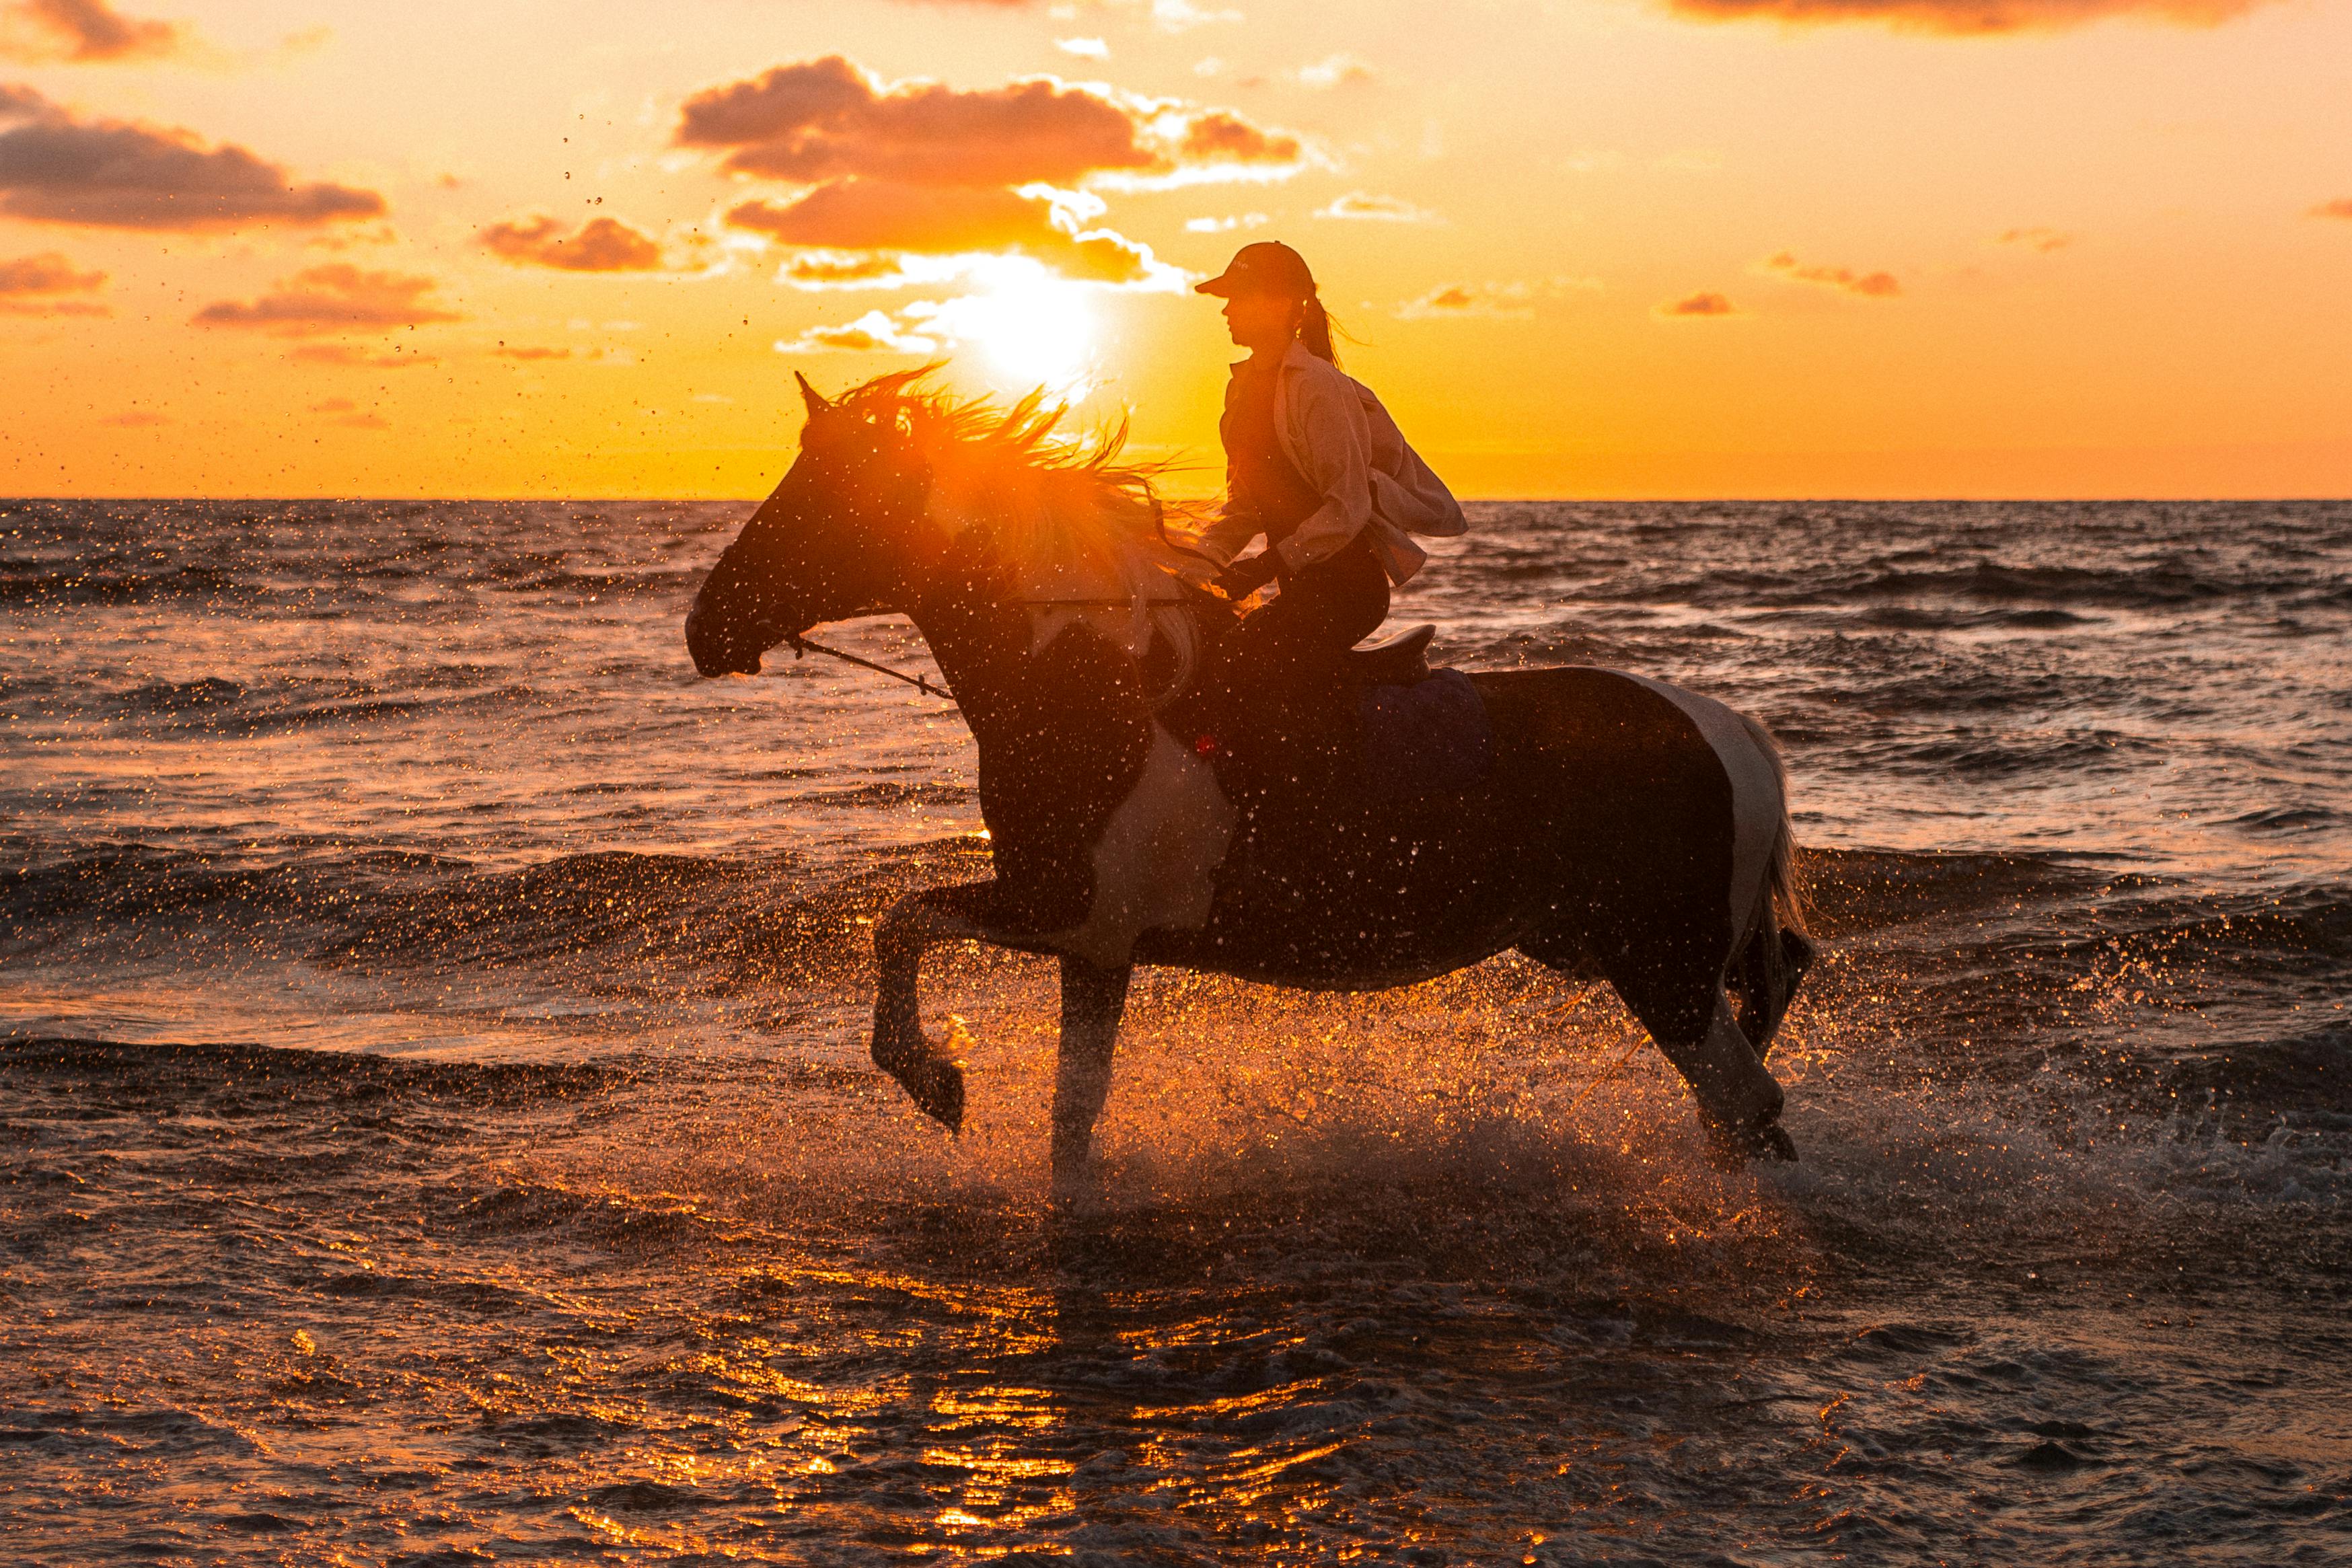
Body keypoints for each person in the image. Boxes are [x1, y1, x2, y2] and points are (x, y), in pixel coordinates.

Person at [1191, 241, 1466, 789]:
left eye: (1236, 297)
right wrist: (1191, 564)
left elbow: (1349, 507)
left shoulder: (1319, 388)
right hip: (1299, 586)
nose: (1225, 311)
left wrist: (1269, 565)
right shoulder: (1239, 389)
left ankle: (1300, 798)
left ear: (1280, 305)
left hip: (1347, 587)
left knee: (1249, 660)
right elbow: (1244, 505)